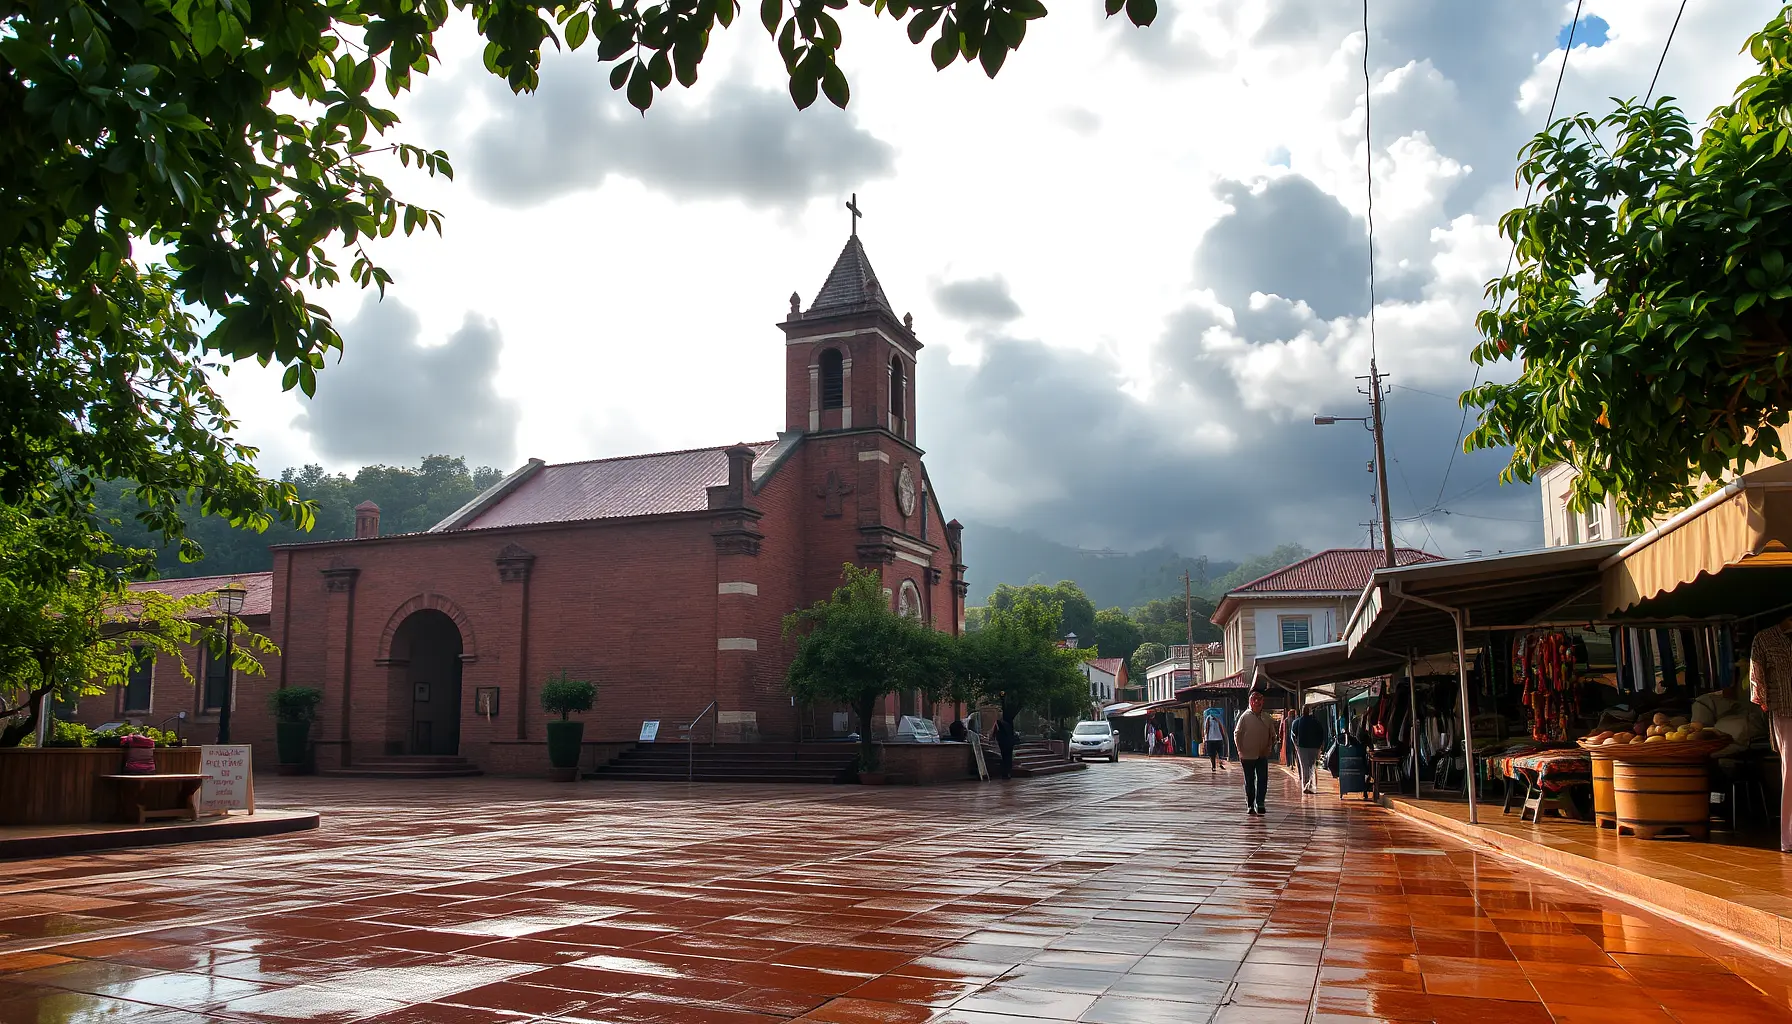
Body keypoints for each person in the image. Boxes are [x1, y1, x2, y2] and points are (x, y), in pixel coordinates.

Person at [1234, 689, 1274, 816]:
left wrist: (1269, 747)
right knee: (1249, 780)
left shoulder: (1267, 718)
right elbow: (1237, 734)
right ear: (1250, 702)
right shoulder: (1244, 717)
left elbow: (1272, 735)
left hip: (1262, 755)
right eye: (1254, 699)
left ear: (1263, 701)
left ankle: (1260, 803)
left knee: (1262, 779)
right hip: (1247, 755)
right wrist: (1240, 750)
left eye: (1259, 699)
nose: (1257, 702)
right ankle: (1250, 804)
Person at [1291, 706, 1326, 794]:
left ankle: (1305, 786)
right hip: (1314, 747)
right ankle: (1312, 787)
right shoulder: (1316, 722)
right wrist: (1320, 746)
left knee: (1304, 767)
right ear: (1309, 712)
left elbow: (1293, 734)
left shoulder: (1297, 722)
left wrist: (1296, 745)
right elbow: (1321, 734)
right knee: (1313, 767)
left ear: (1302, 711)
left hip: (1302, 747)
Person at [994, 715, 1018, 779]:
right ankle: (1008, 773)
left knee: (1005, 759)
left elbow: (996, 733)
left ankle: (1005, 773)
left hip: (1004, 745)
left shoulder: (1000, 725)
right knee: (1008, 759)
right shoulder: (1008, 725)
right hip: (1009, 744)